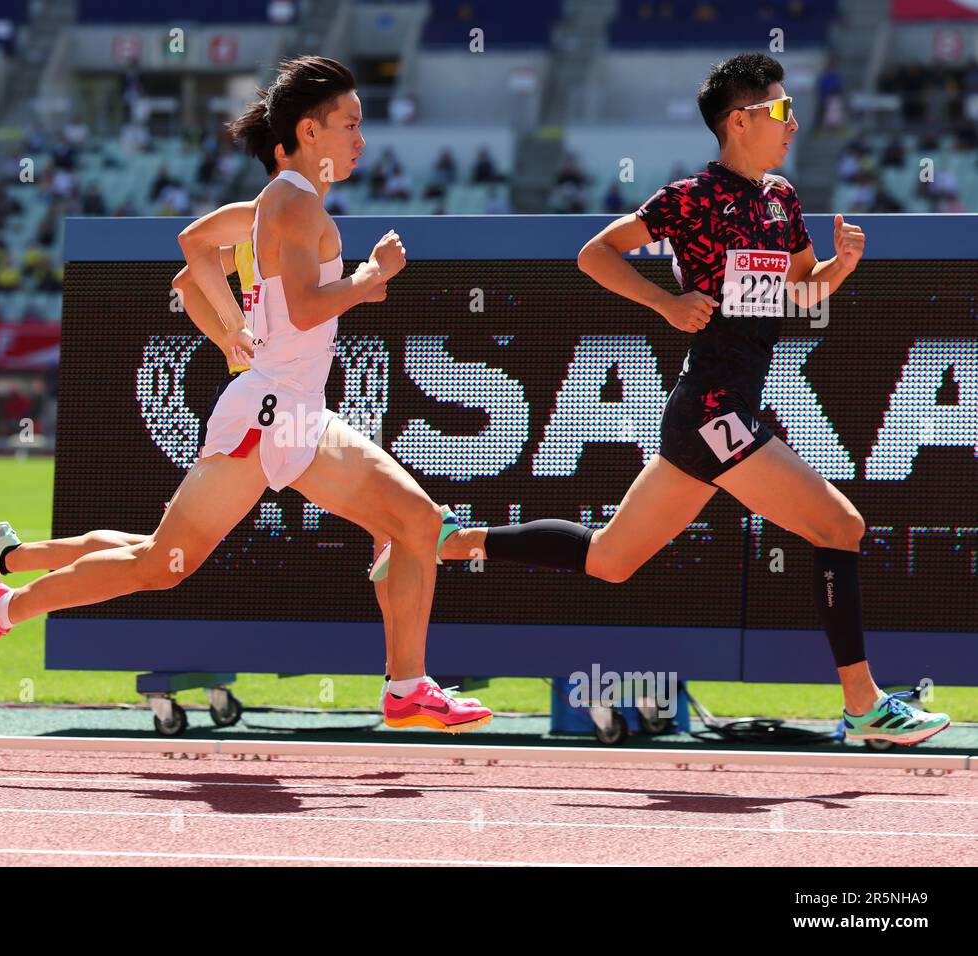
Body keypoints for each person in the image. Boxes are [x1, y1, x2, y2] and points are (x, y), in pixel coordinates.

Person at [374, 53, 949, 746]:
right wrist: (665, 303)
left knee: (610, 560)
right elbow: (595, 254)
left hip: (718, 408)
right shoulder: (691, 198)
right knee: (840, 527)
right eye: (780, 109)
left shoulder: (780, 200)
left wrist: (840, 269)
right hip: (712, 407)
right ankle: (864, 705)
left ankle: (445, 541)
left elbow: (801, 289)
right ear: (739, 121)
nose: (793, 121)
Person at [0, 56, 490, 732]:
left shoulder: (270, 207)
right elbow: (308, 304)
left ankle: (3, 603)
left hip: (281, 410)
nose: (362, 140)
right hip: (277, 415)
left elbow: (189, 262)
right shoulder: (293, 204)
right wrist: (373, 275)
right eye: (350, 125)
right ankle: (405, 684)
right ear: (309, 131)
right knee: (173, 562)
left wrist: (233, 331)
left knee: (176, 560)